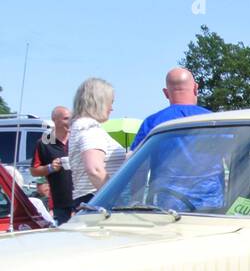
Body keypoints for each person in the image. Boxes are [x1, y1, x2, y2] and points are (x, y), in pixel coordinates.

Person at [129, 67, 223, 211]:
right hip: (212, 204)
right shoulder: (216, 121)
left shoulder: (153, 123)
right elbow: (235, 155)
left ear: (166, 93)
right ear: (196, 88)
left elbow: (139, 168)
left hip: (167, 207)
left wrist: (136, 202)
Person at [67, 78, 126, 207]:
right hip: (98, 202)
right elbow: (94, 169)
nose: (112, 108)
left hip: (89, 199)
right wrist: (116, 200)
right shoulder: (90, 127)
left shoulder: (80, 126)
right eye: (111, 102)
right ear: (99, 102)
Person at [130, 67, 210, 149]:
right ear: (196, 89)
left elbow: (134, 155)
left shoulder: (150, 123)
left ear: (166, 93)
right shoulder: (212, 120)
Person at [31, 106, 74, 223]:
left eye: (71, 118)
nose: (70, 122)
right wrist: (50, 167)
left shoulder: (77, 138)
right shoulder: (44, 142)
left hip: (82, 198)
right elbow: (33, 171)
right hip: (60, 202)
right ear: (54, 120)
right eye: (66, 119)